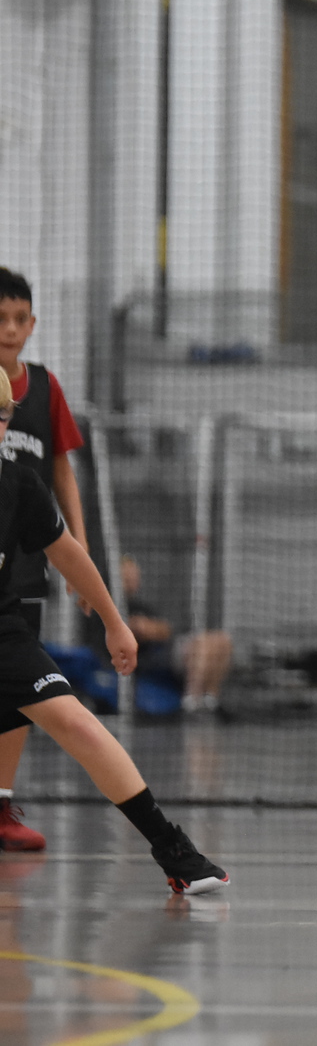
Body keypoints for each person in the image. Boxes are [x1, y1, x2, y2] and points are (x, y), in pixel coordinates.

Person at [0, 371, 226, 894]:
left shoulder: (18, 484)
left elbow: (67, 554)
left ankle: (173, 850)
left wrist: (114, 621)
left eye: (2, 415)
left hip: (5, 632)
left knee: (76, 722)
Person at [0, 267, 90, 852]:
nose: (9, 329)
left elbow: (62, 471)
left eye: (19, 318)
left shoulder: (46, 389)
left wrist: (77, 554)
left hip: (24, 563)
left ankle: (1, 802)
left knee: (18, 689)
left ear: (33, 324)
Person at [120, 555, 234, 714]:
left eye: (135, 575)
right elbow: (140, 629)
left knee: (223, 641)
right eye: (128, 576)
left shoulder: (141, 605)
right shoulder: (117, 606)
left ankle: (209, 698)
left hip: (168, 647)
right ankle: (191, 700)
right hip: (153, 659)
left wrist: (154, 628)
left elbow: (165, 629)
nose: (134, 579)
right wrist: (150, 628)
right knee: (201, 646)